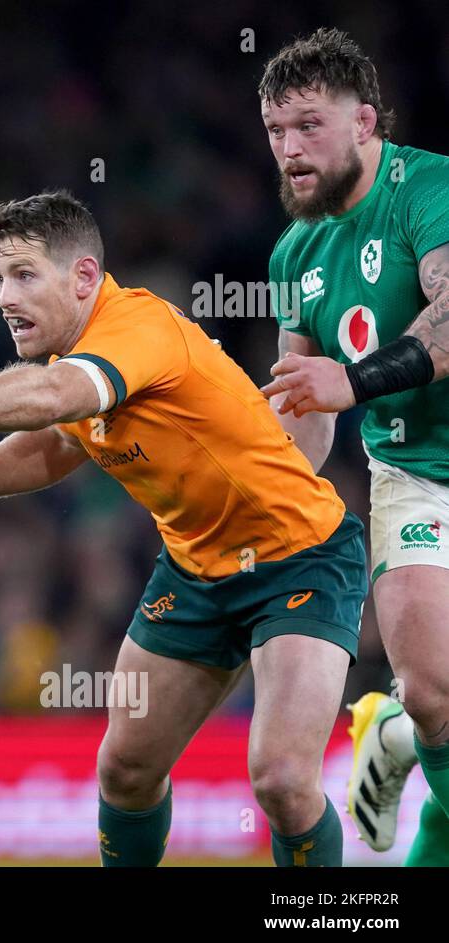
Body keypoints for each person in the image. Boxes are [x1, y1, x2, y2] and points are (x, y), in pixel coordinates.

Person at [0, 190, 367, 866]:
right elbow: (58, 441)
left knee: (281, 779)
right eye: (0, 276)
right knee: (124, 771)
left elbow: (56, 396)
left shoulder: (136, 329)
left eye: (25, 274)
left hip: (301, 557)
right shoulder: (83, 358)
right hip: (195, 573)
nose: (5, 295)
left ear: (84, 277)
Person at [255, 28, 449, 864]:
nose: (289, 149)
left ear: (366, 121)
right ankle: (411, 723)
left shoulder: (430, 184)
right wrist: (258, 502)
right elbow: (304, 406)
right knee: (438, 691)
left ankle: (396, 738)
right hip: (412, 474)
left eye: (308, 125)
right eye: (273, 131)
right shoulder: (294, 251)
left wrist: (355, 379)